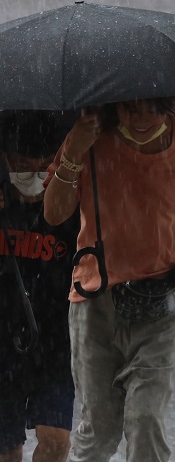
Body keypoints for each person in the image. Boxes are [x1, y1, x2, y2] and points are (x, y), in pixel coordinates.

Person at [43, 98, 175, 462]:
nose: (141, 119)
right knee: (99, 431)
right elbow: (54, 213)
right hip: (95, 302)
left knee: (145, 420)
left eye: (152, 109)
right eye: (130, 109)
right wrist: (73, 152)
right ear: (115, 106)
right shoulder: (91, 141)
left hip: (162, 305)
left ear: (170, 105)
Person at [0, 112, 79, 462]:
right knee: (6, 449)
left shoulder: (73, 198)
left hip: (56, 340)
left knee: (57, 441)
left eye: (42, 166)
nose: (32, 177)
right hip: (3, 339)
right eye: (21, 166)